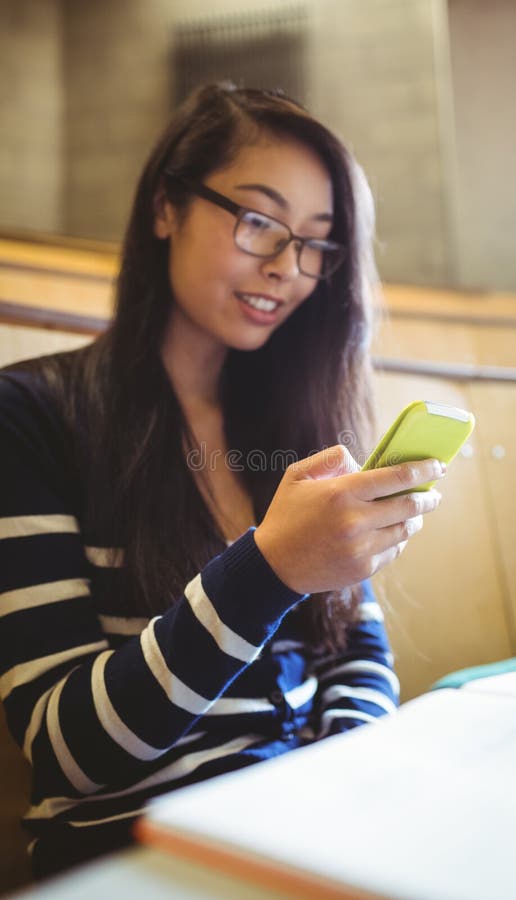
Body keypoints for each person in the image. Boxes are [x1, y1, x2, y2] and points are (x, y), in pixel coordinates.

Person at [0, 83, 443, 879]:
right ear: (167, 207)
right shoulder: (30, 416)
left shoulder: (286, 428)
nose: (287, 269)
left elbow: (357, 652)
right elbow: (70, 751)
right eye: (259, 222)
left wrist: (345, 785)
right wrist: (269, 570)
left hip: (309, 834)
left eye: (315, 242)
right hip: (138, 851)